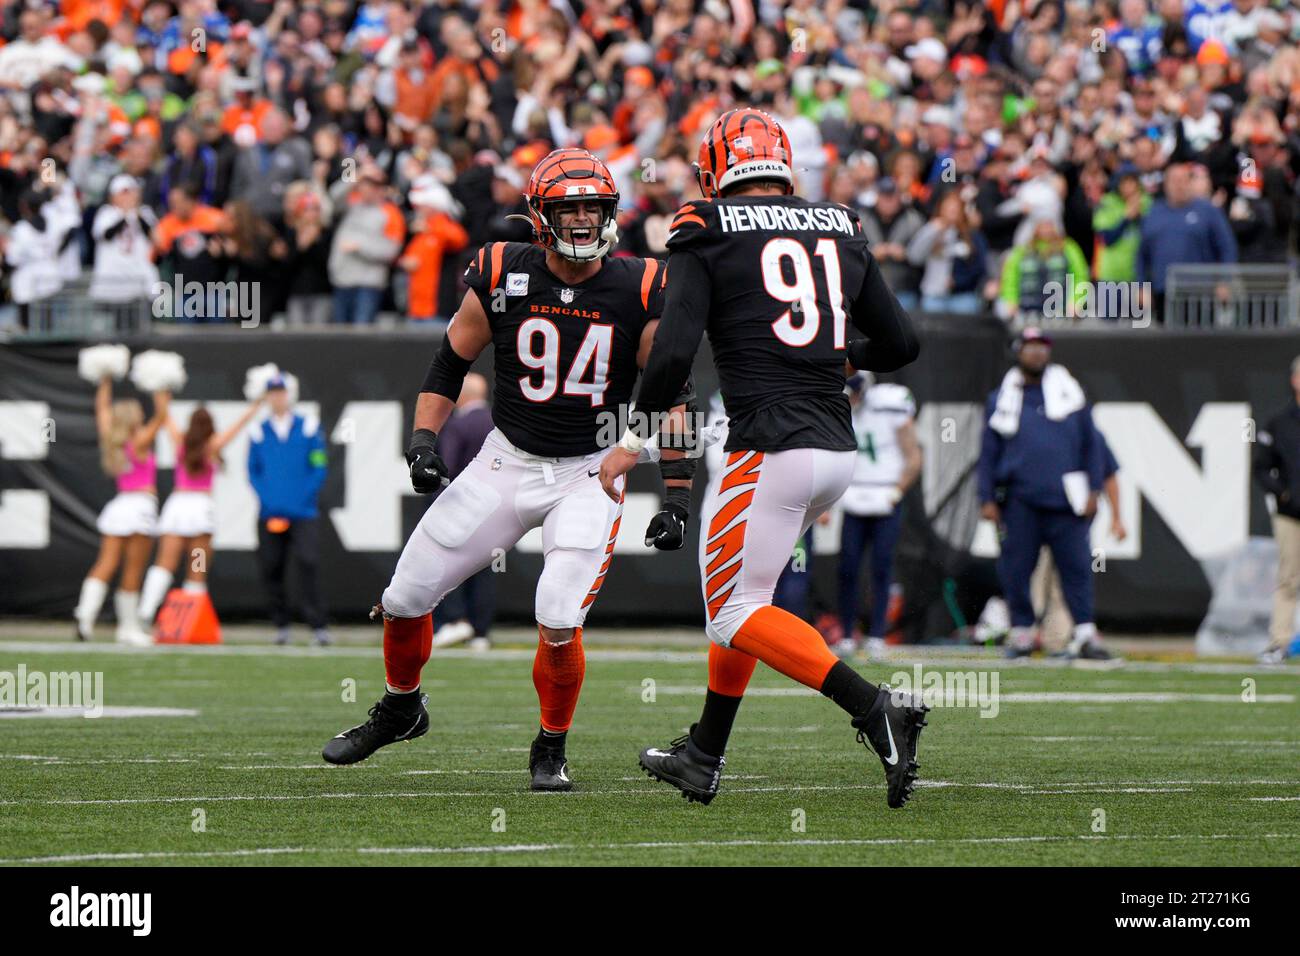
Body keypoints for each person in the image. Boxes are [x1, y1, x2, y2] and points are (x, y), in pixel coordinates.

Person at [320, 149, 692, 794]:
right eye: (567, 207)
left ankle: (550, 746)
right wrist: (423, 438)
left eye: (591, 207)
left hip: (588, 470)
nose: (580, 220)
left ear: (611, 213)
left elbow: (675, 392)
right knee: (404, 597)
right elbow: (447, 364)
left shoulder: (640, 283)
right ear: (538, 215)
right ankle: (402, 707)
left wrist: (679, 494)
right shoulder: (499, 269)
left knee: (557, 616)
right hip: (505, 459)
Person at [598, 109, 926, 809]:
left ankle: (876, 709)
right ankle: (703, 755)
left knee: (731, 611)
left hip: (768, 449)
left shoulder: (704, 226)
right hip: (834, 453)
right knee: (749, 602)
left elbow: (676, 351)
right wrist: (843, 357)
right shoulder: (839, 223)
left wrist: (632, 440)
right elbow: (900, 346)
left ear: (717, 171)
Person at [977, 328, 1114, 661]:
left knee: (1077, 568)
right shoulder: (1003, 398)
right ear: (1018, 351)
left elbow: (1091, 445)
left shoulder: (1070, 395)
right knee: (1017, 567)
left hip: (1067, 500)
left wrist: (1095, 489)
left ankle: (1084, 633)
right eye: (1031, 347)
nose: (1037, 354)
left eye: (1043, 347)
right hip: (1020, 500)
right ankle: (1022, 632)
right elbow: (988, 452)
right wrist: (986, 497)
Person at [137, 396, 266, 628]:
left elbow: (165, 417)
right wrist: (256, 404)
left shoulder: (181, 442)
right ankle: (189, 623)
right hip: (199, 513)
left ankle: (146, 611)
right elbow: (239, 425)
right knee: (196, 568)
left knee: (164, 564)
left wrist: (159, 393)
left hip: (177, 509)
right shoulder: (213, 445)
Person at [74, 375, 170, 645]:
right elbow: (162, 416)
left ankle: (84, 617)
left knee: (105, 563)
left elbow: (101, 410)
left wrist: (104, 379)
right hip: (140, 507)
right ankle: (127, 627)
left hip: (119, 506)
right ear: (133, 418)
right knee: (133, 568)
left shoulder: (112, 438)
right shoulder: (139, 441)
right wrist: (161, 384)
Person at [834, 373, 922, 660]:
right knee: (847, 567)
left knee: (882, 568)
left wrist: (898, 490)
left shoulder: (890, 402)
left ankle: (877, 635)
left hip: (885, 496)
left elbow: (913, 456)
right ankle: (847, 633)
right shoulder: (839, 408)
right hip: (854, 496)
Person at [247, 375, 330, 646]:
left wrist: (300, 499)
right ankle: (281, 624)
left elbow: (319, 466)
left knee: (309, 564)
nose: (277, 398)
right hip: (270, 513)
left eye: (281, 392)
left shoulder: (308, 426)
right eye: (272, 393)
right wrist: (271, 502)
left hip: (303, 513)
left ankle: (318, 625)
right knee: (272, 567)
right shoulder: (259, 431)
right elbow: (253, 472)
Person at [429, 372, 496, 650]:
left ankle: (456, 620)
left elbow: (447, 468)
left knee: (449, 565)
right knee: (485, 571)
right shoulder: (498, 423)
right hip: (495, 509)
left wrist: (439, 505)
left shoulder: (458, 425)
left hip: (462, 506)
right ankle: (481, 632)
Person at [1251, 356, 1300, 665]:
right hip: (1291, 514)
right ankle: (1279, 641)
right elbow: (1261, 467)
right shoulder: (1279, 422)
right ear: (1294, 380)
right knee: (1289, 578)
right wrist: (1282, 493)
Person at [328, 166, 405, 324]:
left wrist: (360, 248)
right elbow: (333, 196)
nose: (367, 188)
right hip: (341, 279)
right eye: (365, 183)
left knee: (361, 337)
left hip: (368, 284)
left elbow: (391, 251)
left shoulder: (391, 213)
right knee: (338, 336)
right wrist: (355, 176)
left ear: (382, 189)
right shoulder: (351, 205)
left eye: (373, 185)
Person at [89, 175, 160, 330]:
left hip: (139, 282)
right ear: (113, 196)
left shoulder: (144, 213)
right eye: (124, 193)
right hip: (113, 283)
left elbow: (154, 238)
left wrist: (135, 214)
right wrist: (125, 215)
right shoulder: (106, 213)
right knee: (115, 328)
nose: (129, 197)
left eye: (132, 192)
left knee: (140, 327)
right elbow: (105, 235)